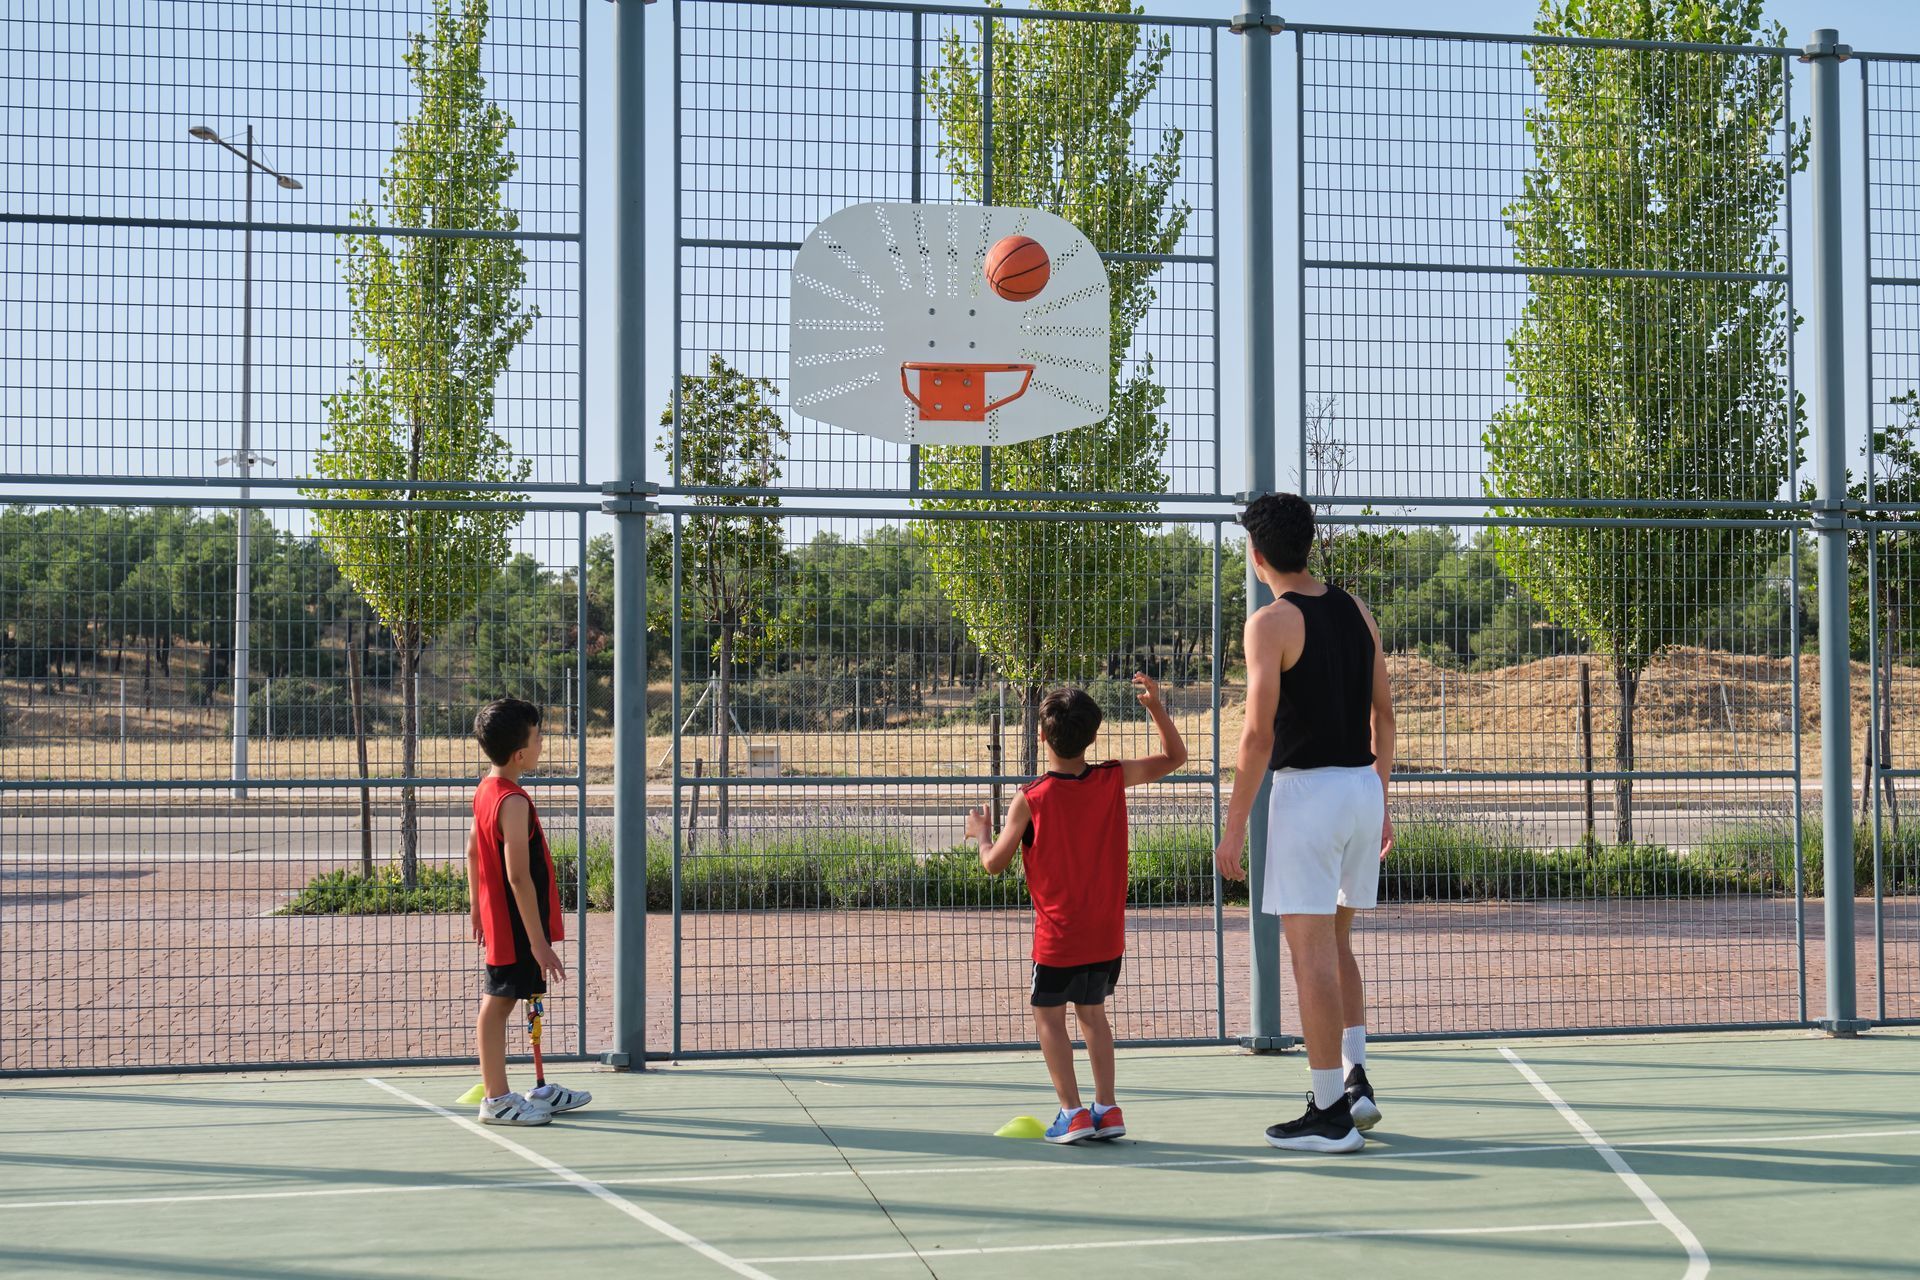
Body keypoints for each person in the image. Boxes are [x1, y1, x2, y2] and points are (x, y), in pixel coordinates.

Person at [1214, 493, 1394, 1154]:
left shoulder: (1270, 623)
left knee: (1309, 952)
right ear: (1309, 542)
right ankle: (1353, 1079)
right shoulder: (1358, 610)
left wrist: (1234, 826)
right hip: (1361, 788)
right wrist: (1380, 800)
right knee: (1336, 943)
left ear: (1256, 554)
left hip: (1308, 794)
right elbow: (1385, 717)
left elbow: (1257, 735)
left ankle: (1329, 1113)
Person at [967, 675, 1187, 1144]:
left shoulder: (1031, 797)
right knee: (1093, 1015)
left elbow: (994, 864)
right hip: (1105, 934)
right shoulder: (1111, 777)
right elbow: (1174, 757)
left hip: (1058, 938)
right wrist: (1156, 708)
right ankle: (1106, 1108)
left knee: (1048, 1018)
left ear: (1041, 736)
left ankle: (1072, 1113)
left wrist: (981, 833)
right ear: (1093, 735)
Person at [468, 697, 591, 1125]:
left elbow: (472, 851)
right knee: (499, 1003)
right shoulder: (513, 802)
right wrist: (538, 943)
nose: (542, 743)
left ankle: (538, 1090)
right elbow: (518, 876)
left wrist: (476, 908)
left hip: (509, 918)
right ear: (520, 754)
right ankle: (496, 1099)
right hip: (517, 924)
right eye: (538, 737)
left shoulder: (487, 789)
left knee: (517, 998)